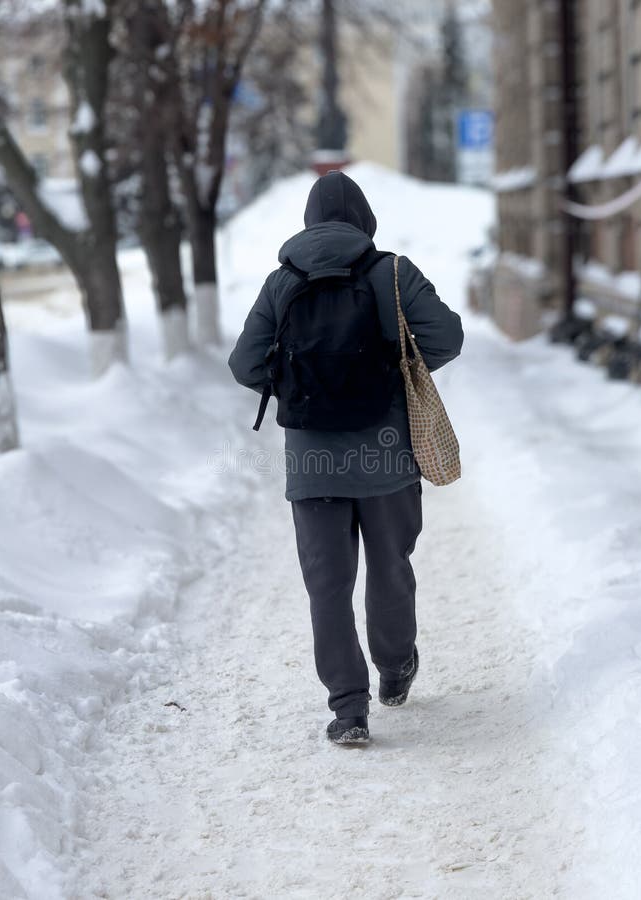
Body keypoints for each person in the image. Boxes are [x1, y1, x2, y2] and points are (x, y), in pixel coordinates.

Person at [228, 171, 463, 744]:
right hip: (387, 455)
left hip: (312, 464)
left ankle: (347, 709)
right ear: (364, 220)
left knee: (327, 586)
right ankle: (395, 667)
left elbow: (244, 363)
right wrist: (396, 369)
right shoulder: (394, 272)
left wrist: (300, 388)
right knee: (390, 569)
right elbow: (448, 337)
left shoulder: (281, 283)